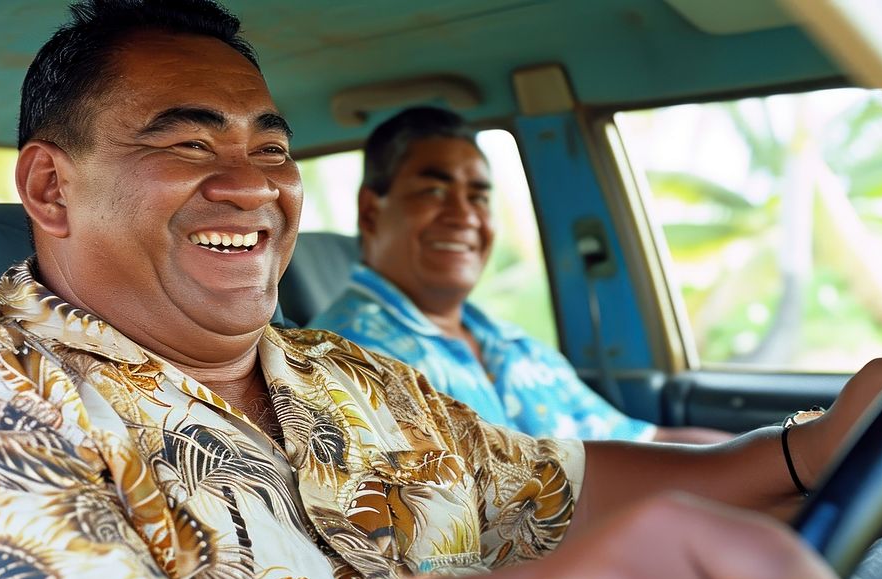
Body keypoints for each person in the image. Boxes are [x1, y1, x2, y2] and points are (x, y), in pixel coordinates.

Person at [0, 1, 882, 579]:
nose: (256, 185)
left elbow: (547, 487)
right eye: (188, 142)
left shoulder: (351, 374)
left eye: (271, 148)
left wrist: (811, 448)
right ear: (48, 187)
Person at [311, 106, 730, 444]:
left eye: (478, 196)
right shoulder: (349, 358)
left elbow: (645, 442)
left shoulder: (513, 345)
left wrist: (781, 454)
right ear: (370, 210)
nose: (464, 216)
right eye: (434, 191)